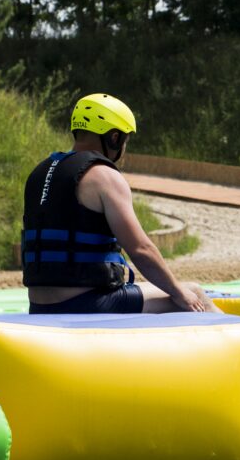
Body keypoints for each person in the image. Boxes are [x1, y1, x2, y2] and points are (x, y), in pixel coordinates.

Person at [23, 93, 212, 315]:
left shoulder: (39, 173)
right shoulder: (104, 176)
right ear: (114, 138)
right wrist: (180, 293)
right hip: (88, 304)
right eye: (125, 140)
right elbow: (141, 250)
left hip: (39, 307)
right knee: (195, 294)